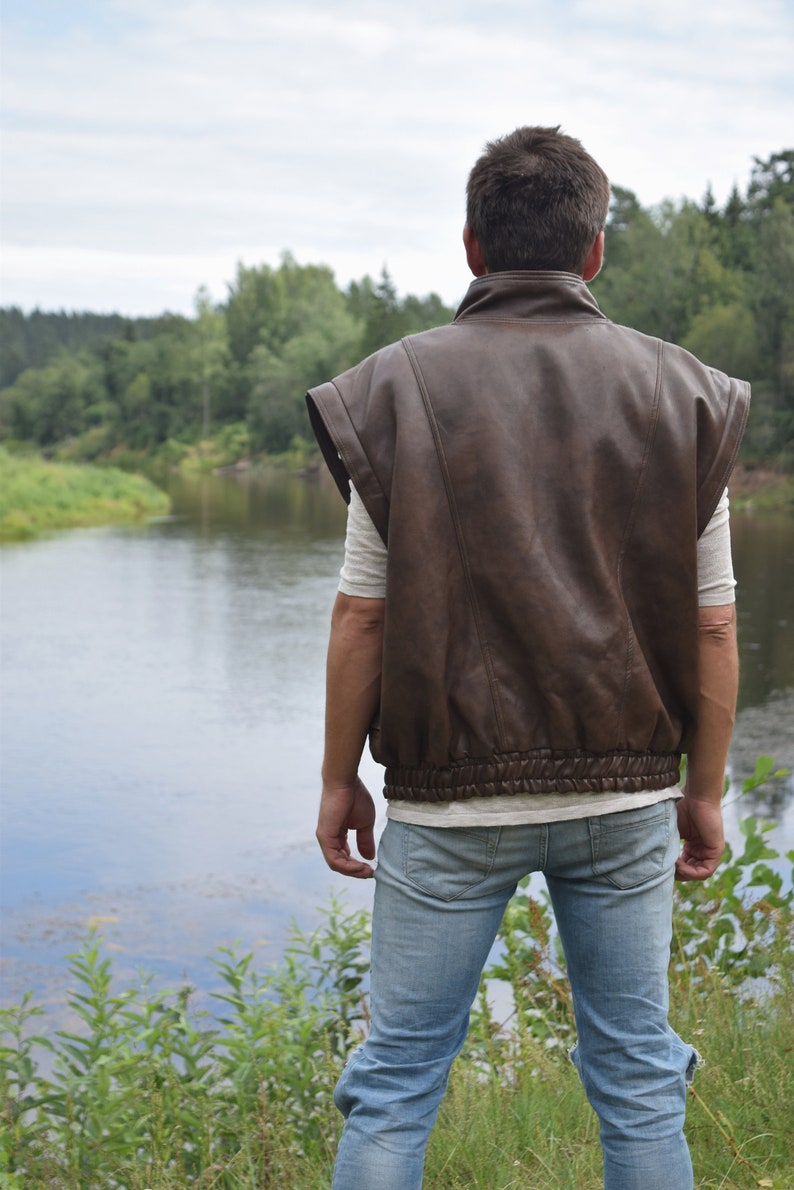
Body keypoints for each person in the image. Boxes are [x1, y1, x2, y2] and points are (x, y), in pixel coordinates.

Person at [306, 126, 750, 1190]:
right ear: (594, 249)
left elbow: (361, 618)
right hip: (624, 794)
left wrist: (338, 777)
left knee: (395, 1083)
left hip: (447, 801)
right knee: (638, 1079)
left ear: (471, 245)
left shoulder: (395, 386)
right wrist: (701, 790)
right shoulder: (684, 394)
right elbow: (713, 626)